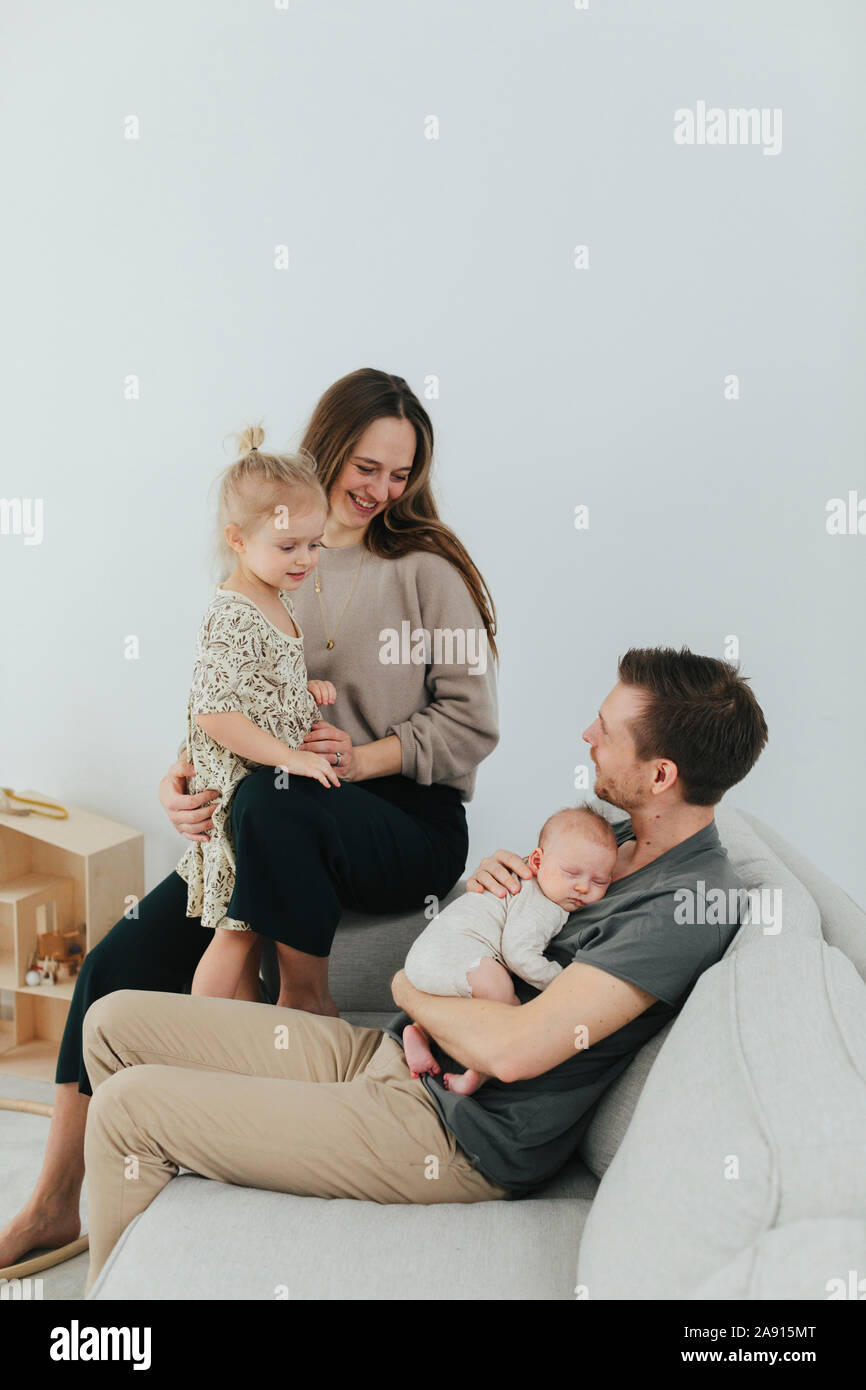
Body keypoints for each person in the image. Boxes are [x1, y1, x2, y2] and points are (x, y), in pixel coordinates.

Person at [0, 368, 499, 1271]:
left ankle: (303, 1015)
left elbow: (471, 729)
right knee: (116, 962)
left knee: (278, 799)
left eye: (403, 474)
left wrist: (361, 755)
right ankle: (51, 1204)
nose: (383, 489)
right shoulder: (278, 549)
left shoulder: (430, 574)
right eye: (370, 465)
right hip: (275, 803)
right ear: (330, 444)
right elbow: (217, 701)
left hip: (401, 818)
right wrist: (179, 780)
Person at [80, 647, 768, 1294]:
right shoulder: (613, 840)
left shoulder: (683, 906)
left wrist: (407, 985)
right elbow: (504, 940)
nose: (588, 733)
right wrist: (484, 891)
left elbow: (514, 1049)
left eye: (609, 731)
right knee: (112, 1022)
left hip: (455, 1132)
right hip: (399, 1058)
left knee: (126, 1110)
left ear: (660, 776)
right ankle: (157, 1248)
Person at [179, 429, 341, 1001]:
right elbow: (216, 714)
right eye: (288, 545)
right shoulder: (235, 612)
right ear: (238, 540)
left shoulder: (277, 594)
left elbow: (259, 683)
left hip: (261, 793)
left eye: (314, 545)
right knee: (236, 934)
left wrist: (304, 688)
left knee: (250, 930)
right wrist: (290, 757)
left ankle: (239, 1050)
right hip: (236, 794)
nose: (304, 559)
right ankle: (205, 1039)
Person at [401, 803, 618, 1094]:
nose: (582, 887)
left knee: (472, 1001)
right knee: (505, 1005)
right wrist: (562, 981)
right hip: (450, 951)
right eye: (571, 873)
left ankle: (418, 1031)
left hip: (429, 957)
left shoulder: (536, 886)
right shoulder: (542, 904)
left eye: (599, 881)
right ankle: (474, 1076)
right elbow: (519, 954)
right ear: (537, 862)